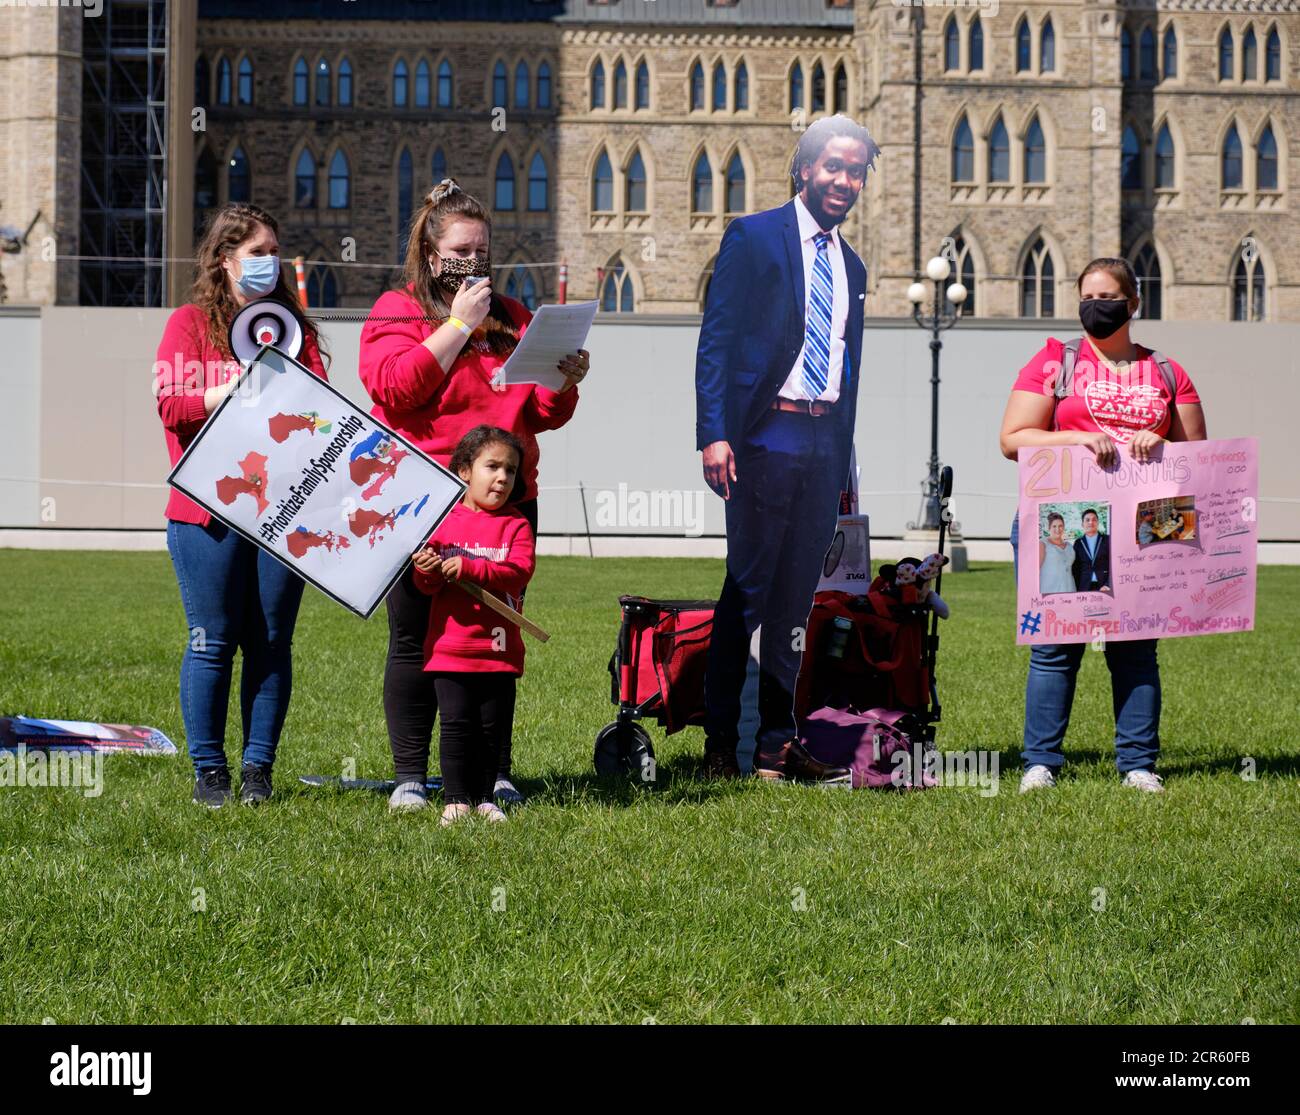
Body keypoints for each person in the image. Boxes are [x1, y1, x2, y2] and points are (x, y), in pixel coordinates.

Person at [359, 179, 586, 809]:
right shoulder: (397, 311)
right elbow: (394, 388)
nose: (474, 262)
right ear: (432, 256)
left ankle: (493, 773)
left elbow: (541, 411)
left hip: (507, 501)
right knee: (414, 637)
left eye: (483, 250)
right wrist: (458, 325)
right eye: (462, 249)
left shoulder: (513, 317)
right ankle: (410, 775)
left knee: (494, 637)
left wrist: (565, 381)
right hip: (425, 501)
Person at [695, 114, 879, 782]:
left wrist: (844, 461)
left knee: (795, 602)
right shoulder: (753, 238)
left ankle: (776, 745)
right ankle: (722, 746)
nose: (843, 179)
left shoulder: (852, 265)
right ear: (805, 168)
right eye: (832, 165)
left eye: (855, 170)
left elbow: (845, 367)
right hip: (762, 435)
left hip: (822, 440)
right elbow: (716, 341)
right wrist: (714, 433)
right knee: (746, 592)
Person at [999, 256, 1207, 794]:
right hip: (1062, 520)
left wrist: (1163, 443)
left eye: (1108, 298)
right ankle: (1041, 762)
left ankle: (1138, 765)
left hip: (1148, 523)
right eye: (1086, 298)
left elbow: (1199, 458)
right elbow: (1012, 439)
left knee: (1136, 647)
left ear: (1133, 304)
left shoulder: (1167, 372)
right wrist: (1073, 438)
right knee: (1054, 646)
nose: (1095, 307)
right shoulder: (1054, 363)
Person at [153, 202, 328, 807]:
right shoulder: (189, 324)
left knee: (272, 641)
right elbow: (171, 406)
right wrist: (220, 391)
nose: (269, 264)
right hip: (206, 513)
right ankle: (209, 772)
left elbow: (317, 416)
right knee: (212, 639)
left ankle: (257, 771)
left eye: (275, 252)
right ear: (225, 260)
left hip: (282, 512)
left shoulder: (292, 327)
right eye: (257, 253)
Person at [405, 427, 536, 824]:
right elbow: (425, 586)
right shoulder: (442, 522)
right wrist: (427, 570)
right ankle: (456, 799)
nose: (502, 478)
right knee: (457, 726)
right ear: (464, 470)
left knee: (491, 730)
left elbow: (518, 571)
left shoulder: (515, 525)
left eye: (510, 471)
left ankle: (485, 798)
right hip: (450, 650)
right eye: (492, 466)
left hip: (498, 652)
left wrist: (470, 567)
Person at [1072, 508, 1110, 591]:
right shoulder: (1078, 543)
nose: (1091, 522)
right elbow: (1075, 568)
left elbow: (1114, 565)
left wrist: (1108, 584)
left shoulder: (1107, 540)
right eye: (1087, 520)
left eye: (1094, 520)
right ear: (1082, 524)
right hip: (1084, 586)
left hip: (1104, 586)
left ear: (1098, 523)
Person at [1038, 512, 1076, 594]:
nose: (1057, 529)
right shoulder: (1043, 544)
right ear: (1049, 528)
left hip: (1070, 589)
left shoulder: (1069, 546)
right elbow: (1035, 571)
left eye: (1060, 526)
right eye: (1054, 526)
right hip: (1050, 592)